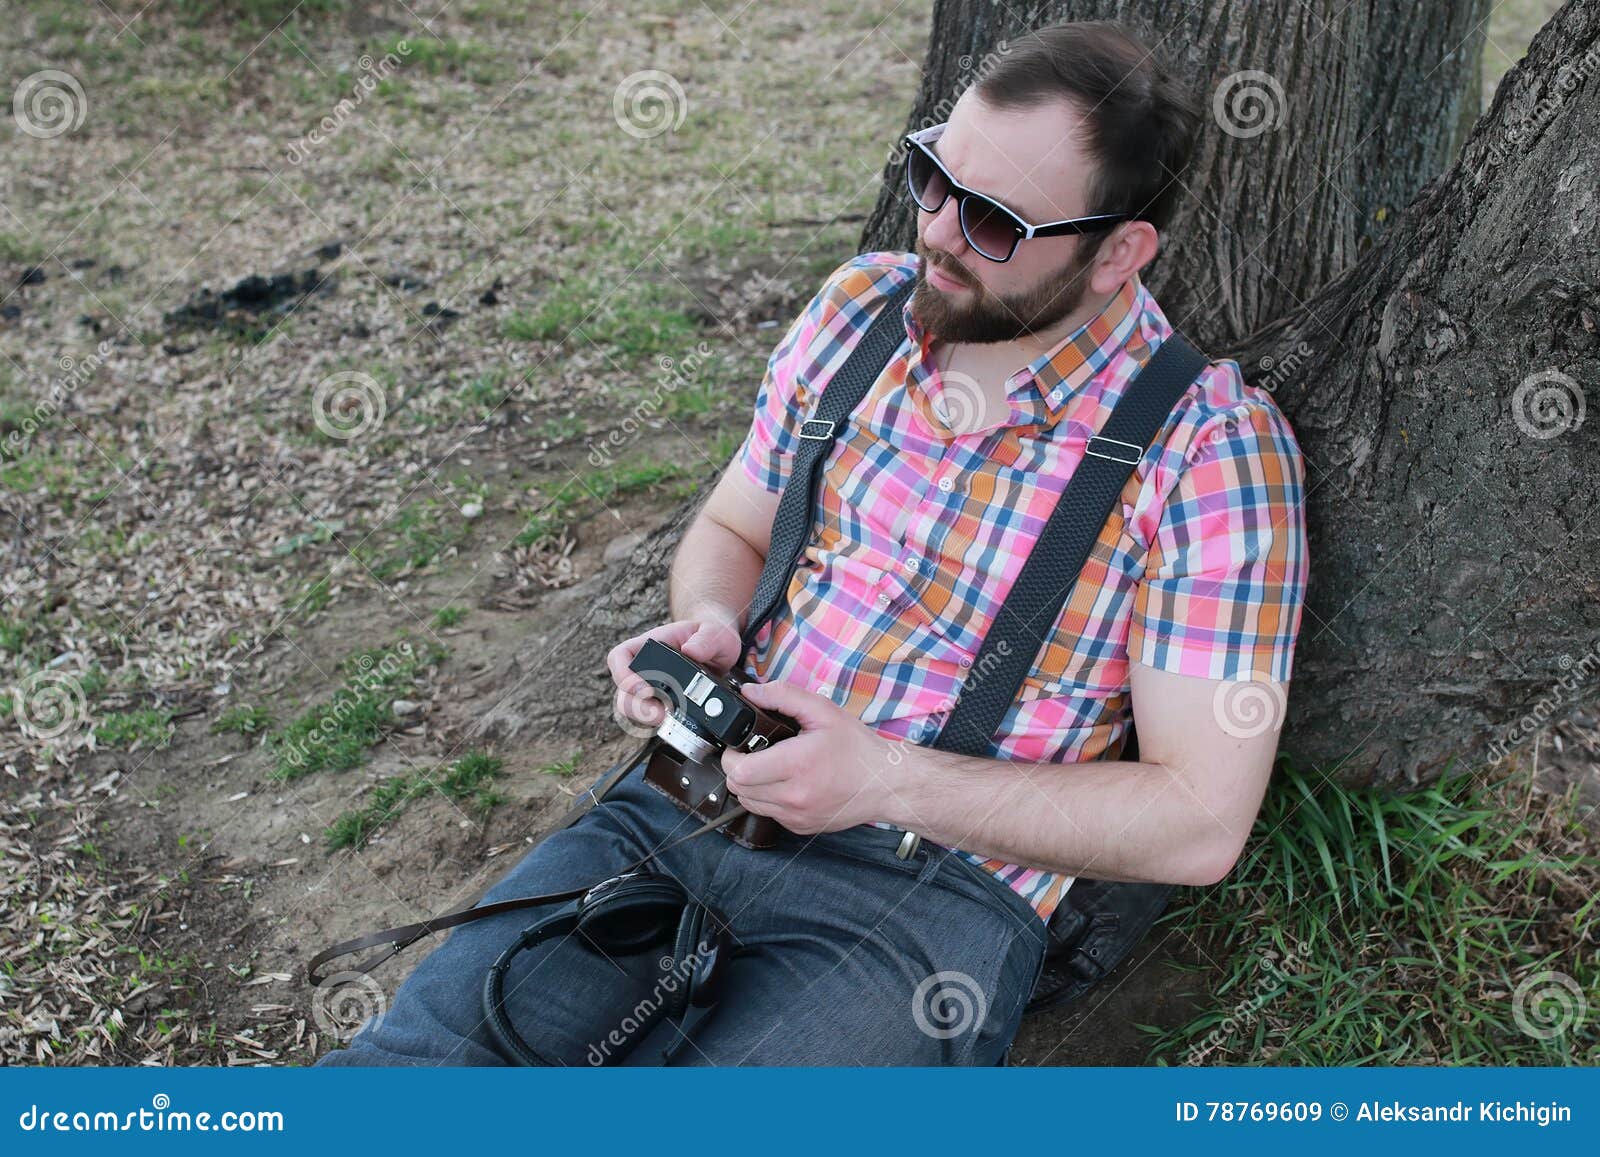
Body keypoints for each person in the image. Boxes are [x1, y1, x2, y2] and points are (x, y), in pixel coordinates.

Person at [316, 18, 1308, 1067]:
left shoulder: (1210, 453)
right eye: (931, 176)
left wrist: (883, 779)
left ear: (1118, 251)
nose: (935, 230)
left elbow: (1198, 819)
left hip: (926, 898)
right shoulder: (859, 310)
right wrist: (706, 621)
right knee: (410, 1073)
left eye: (994, 223)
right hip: (691, 799)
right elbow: (737, 524)